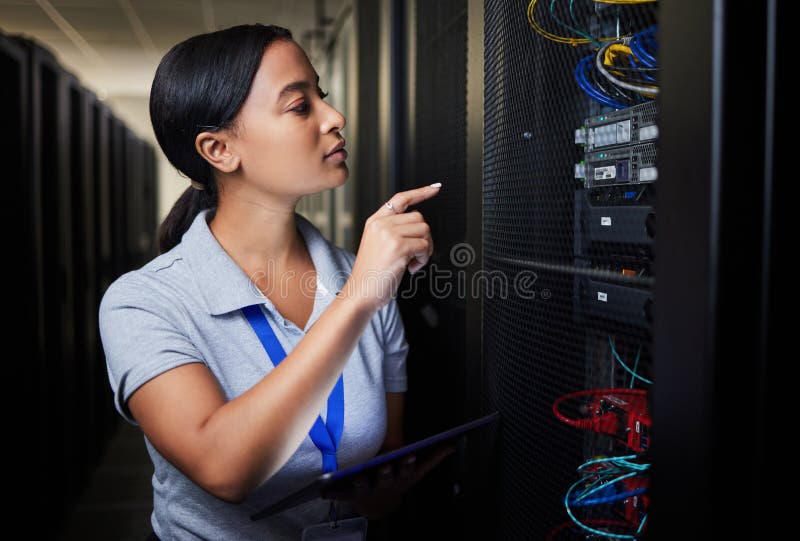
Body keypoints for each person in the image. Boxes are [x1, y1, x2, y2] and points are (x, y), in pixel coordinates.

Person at [98, 23, 442, 540]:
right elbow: (224, 469)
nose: (335, 117)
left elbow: (383, 470)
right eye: (300, 106)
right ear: (219, 150)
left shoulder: (365, 282)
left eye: (322, 96)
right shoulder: (144, 303)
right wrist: (357, 298)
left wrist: (381, 495)